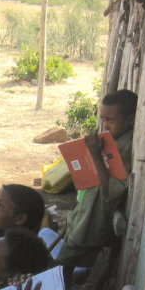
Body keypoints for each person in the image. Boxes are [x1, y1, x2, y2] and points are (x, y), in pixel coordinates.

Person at [57, 90, 137, 269]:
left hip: (91, 224)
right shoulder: (111, 141)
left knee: (60, 270)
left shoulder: (126, 147)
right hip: (81, 216)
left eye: (110, 120)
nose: (105, 125)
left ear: (130, 120)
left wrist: (95, 156)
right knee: (61, 267)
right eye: (103, 119)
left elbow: (109, 191)